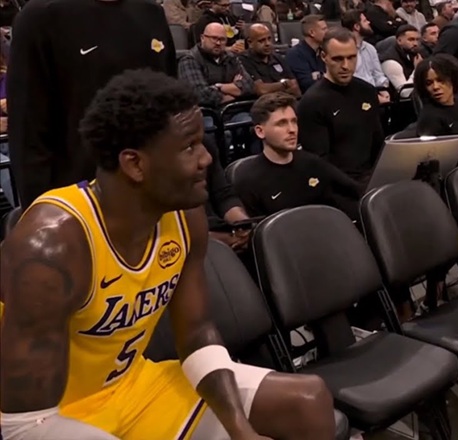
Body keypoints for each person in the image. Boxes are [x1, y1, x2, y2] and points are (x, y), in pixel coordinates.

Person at [0, 70, 336, 440]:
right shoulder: (52, 247)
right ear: (135, 164)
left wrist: (239, 427)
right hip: (51, 415)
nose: (207, 159)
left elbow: (197, 333)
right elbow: (23, 422)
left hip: (132, 386)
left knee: (308, 400)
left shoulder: (186, 216)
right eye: (189, 147)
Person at [8, 0, 177, 209]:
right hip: (80, 198)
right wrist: (42, 210)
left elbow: (172, 105)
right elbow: (27, 131)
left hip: (156, 191)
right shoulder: (40, 16)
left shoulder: (152, 12)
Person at [233, 92, 361, 219]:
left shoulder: (312, 164)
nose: (292, 129)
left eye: (294, 122)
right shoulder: (248, 180)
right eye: (282, 123)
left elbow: (355, 191)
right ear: (260, 131)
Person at [297, 28, 384, 186]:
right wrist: (357, 188)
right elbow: (318, 162)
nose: (346, 66)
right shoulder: (312, 102)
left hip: (372, 178)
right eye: (338, 59)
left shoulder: (367, 91)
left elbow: (377, 142)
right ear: (324, 57)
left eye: (351, 57)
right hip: (338, 186)